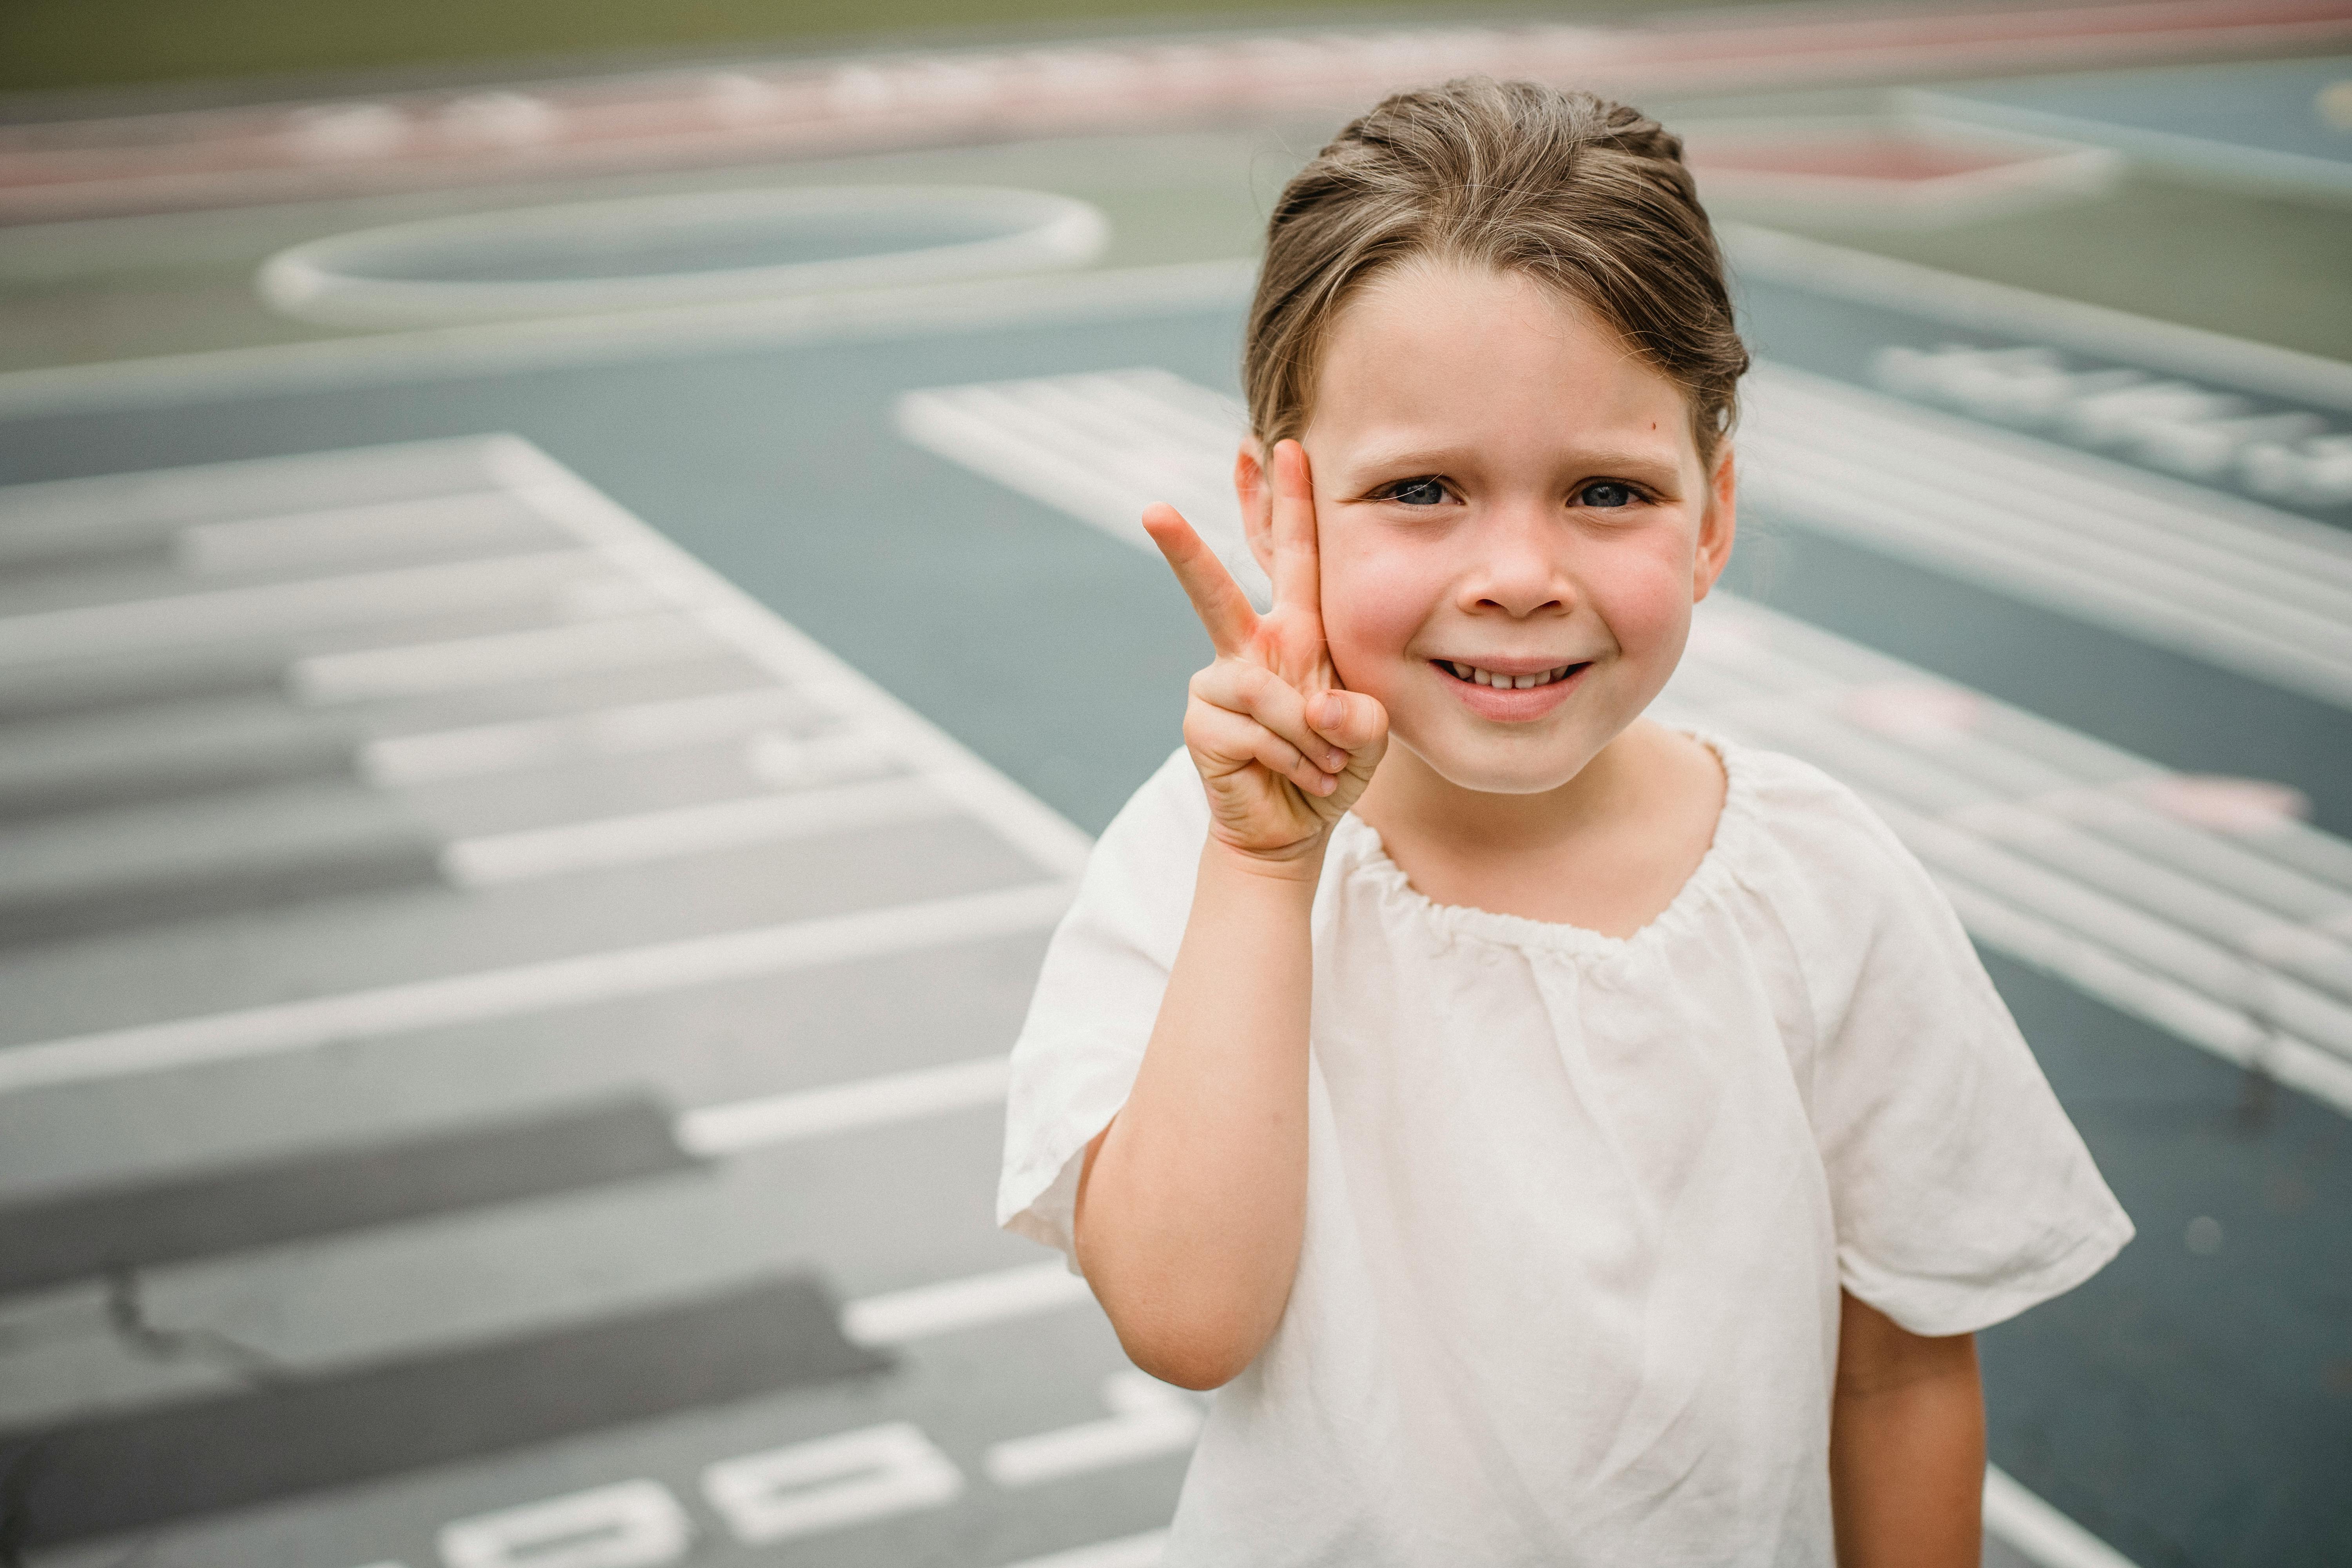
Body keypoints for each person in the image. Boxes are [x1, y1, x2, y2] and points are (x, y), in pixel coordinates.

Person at [996, 78, 2131, 1565]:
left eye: (1607, 489)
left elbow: (1904, 1369)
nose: (1520, 572)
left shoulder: (1821, 880)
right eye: (1422, 489)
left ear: (1711, 512)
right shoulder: (1204, 856)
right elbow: (1188, 1322)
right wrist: (1266, 872)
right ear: (1281, 516)